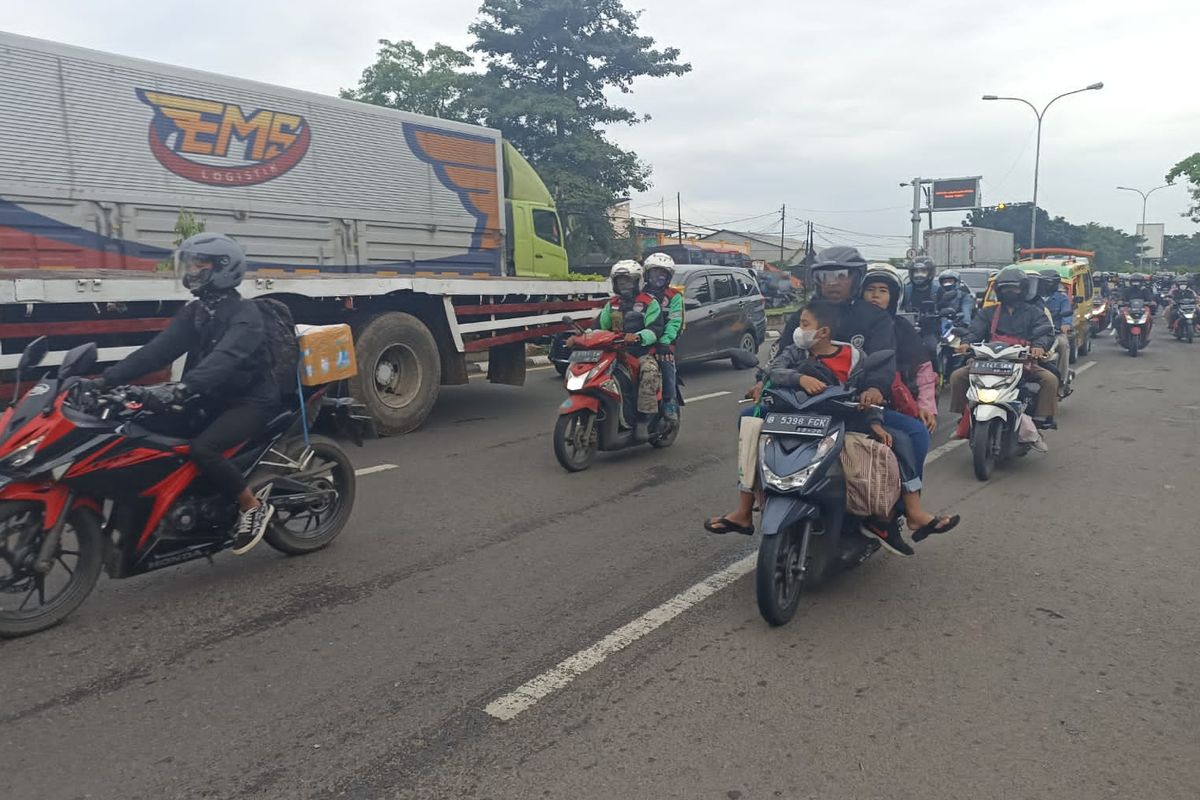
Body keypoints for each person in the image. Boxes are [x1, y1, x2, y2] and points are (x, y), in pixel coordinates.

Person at [703, 301, 958, 554]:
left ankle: (912, 513)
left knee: (900, 440)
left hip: (840, 418)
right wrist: (800, 378)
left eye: (805, 324)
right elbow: (773, 371)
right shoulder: (795, 352)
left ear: (823, 332)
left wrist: (875, 422)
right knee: (749, 421)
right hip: (792, 415)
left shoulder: (854, 357)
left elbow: (862, 394)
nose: (799, 329)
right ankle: (744, 509)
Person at [90, 234, 279, 554]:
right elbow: (156, 353)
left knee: (204, 449)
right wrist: (104, 381)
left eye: (199, 264)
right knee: (142, 429)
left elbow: (226, 360)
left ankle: (251, 506)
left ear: (222, 269)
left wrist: (183, 389)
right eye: (190, 264)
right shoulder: (198, 312)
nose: (191, 270)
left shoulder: (246, 315)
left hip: (250, 400)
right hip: (209, 396)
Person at [948, 265, 1059, 430]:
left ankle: (1041, 417)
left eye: (1013, 288)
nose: (1009, 292)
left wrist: (1039, 346)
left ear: (1022, 289)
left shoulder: (1035, 312)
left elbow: (1044, 332)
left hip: (1022, 361)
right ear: (999, 290)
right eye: (1005, 288)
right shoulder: (988, 312)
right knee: (957, 376)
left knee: (1050, 380)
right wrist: (966, 343)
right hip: (989, 360)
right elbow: (975, 331)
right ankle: (964, 414)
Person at [570, 260, 663, 441]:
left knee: (649, 371)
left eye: (628, 281)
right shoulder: (611, 304)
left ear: (638, 281)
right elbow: (597, 327)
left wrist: (638, 336)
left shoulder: (649, 303)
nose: (624, 285)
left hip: (639, 353)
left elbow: (655, 330)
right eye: (620, 282)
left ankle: (643, 419)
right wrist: (579, 338)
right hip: (612, 351)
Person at [642, 252, 683, 421]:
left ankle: (669, 401)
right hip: (639, 341)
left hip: (662, 344)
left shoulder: (674, 297)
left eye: (662, 273)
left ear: (668, 277)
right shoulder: (638, 294)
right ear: (646, 274)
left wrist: (664, 342)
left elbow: (675, 321)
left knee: (666, 363)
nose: (657, 277)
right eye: (654, 272)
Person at [1035, 269, 1073, 397]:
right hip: (1036, 334)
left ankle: (1062, 381)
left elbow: (1067, 313)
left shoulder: (1061, 298)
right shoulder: (1033, 298)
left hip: (1055, 333)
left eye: (1047, 282)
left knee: (1063, 345)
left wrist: (1066, 324)